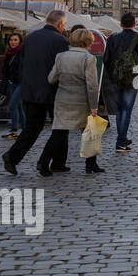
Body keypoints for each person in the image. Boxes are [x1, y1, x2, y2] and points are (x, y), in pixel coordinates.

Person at [0, 12, 69, 176]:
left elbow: (21, 64)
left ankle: (12, 156)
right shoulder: (60, 40)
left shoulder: (31, 38)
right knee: (61, 127)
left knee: (32, 127)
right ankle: (53, 162)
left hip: (30, 89)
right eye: (64, 24)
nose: (64, 27)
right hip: (51, 90)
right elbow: (61, 68)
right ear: (59, 24)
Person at [44, 27, 106, 175]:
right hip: (81, 100)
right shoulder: (89, 58)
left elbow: (51, 78)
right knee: (90, 131)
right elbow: (92, 85)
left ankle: (43, 162)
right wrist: (94, 106)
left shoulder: (61, 56)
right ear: (88, 41)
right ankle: (91, 165)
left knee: (58, 132)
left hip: (63, 99)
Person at [101, 12, 138, 155]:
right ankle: (121, 141)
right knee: (127, 109)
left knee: (120, 108)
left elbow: (106, 59)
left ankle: (122, 139)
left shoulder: (112, 38)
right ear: (134, 24)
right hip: (132, 77)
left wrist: (111, 75)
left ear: (120, 24)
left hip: (115, 77)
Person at [0, 33, 25, 140]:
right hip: (11, 83)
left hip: (22, 83)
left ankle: (14, 131)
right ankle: (25, 130)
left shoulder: (23, 52)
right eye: (11, 40)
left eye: (15, 40)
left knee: (12, 105)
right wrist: (4, 84)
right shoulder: (8, 53)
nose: (13, 42)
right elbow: (5, 71)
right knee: (19, 107)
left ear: (20, 41)